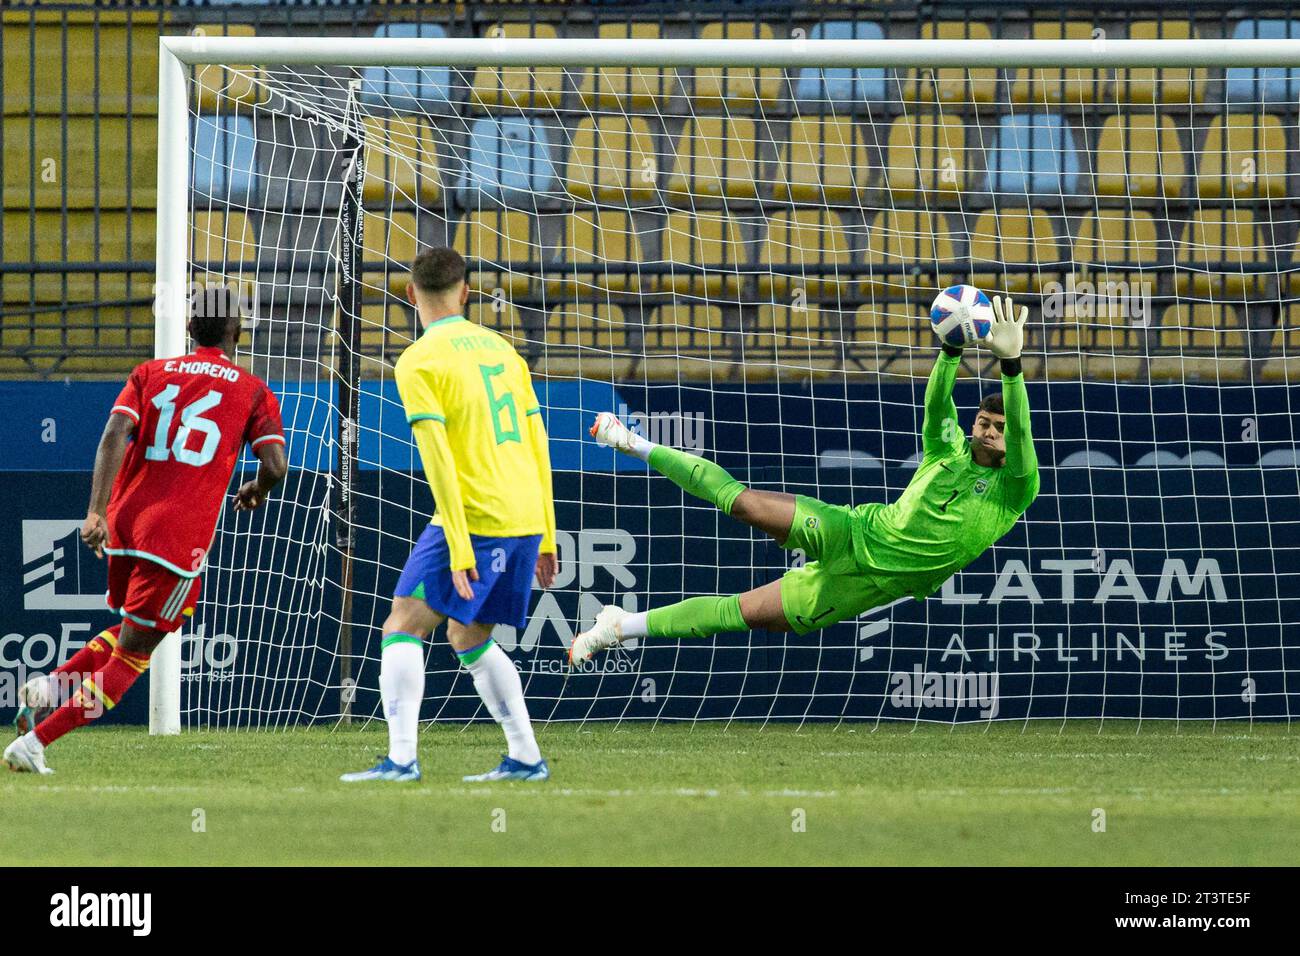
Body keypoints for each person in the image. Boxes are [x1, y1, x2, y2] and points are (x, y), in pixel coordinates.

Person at [571, 295, 1037, 660]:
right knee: (744, 502)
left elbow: (1020, 425)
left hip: (859, 587)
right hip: (852, 530)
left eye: (998, 427)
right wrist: (952, 348)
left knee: (741, 614)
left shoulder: (1014, 488)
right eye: (983, 421)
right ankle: (630, 441)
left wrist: (1012, 368)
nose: (988, 430)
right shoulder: (946, 448)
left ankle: (620, 626)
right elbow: (938, 403)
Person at [6, 285, 287, 773]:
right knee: (135, 656)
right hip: (178, 538)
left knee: (135, 630)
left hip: (125, 524)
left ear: (186, 327)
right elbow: (277, 466)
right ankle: (36, 742)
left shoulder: (150, 373)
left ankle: (52, 684)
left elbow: (115, 432)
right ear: (238, 331)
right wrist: (256, 487)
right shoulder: (252, 390)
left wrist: (95, 512)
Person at [341, 248, 557, 784]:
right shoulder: (505, 351)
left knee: (401, 624)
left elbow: (438, 462)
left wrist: (459, 547)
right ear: (466, 292)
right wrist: (548, 533)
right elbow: (539, 442)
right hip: (525, 512)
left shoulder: (419, 359)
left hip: (476, 515)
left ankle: (401, 759)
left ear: (410, 295)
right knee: (467, 636)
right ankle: (527, 757)